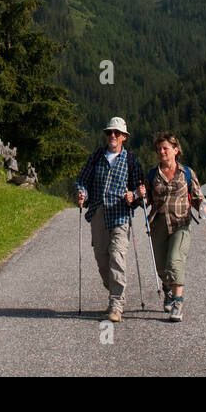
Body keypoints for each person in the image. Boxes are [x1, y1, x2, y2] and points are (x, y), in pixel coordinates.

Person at [74, 116, 145, 323]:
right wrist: (82, 194)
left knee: (117, 256)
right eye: (109, 132)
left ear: (124, 137)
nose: (112, 136)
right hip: (97, 213)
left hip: (120, 215)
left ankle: (116, 302)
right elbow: (82, 181)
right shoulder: (96, 157)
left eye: (116, 133)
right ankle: (114, 290)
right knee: (102, 260)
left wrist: (134, 195)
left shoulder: (131, 160)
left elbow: (140, 190)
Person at [145, 132, 203, 321]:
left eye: (165, 148)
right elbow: (146, 200)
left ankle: (178, 302)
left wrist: (202, 206)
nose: (162, 151)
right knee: (162, 267)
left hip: (181, 224)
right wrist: (139, 196)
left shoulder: (186, 173)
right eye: (159, 149)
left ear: (175, 150)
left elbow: (196, 196)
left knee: (174, 262)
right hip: (158, 224)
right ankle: (167, 290)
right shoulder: (153, 174)